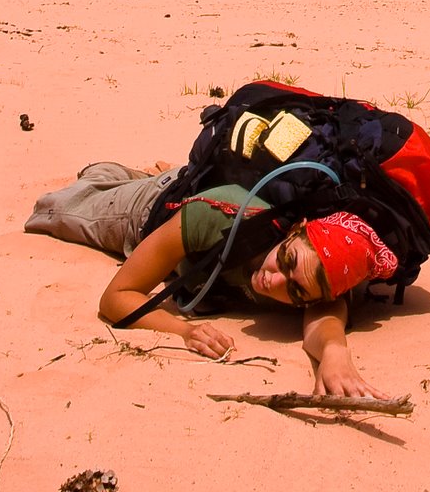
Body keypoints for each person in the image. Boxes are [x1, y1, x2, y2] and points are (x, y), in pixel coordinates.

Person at [25, 162, 397, 397]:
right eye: (285, 259)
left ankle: (154, 173)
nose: (275, 280)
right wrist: (181, 331)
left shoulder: (327, 277)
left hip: (190, 204)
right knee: (53, 210)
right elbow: (116, 297)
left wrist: (335, 355)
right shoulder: (217, 218)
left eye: (297, 290)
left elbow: (325, 323)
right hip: (151, 213)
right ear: (294, 230)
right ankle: (113, 173)